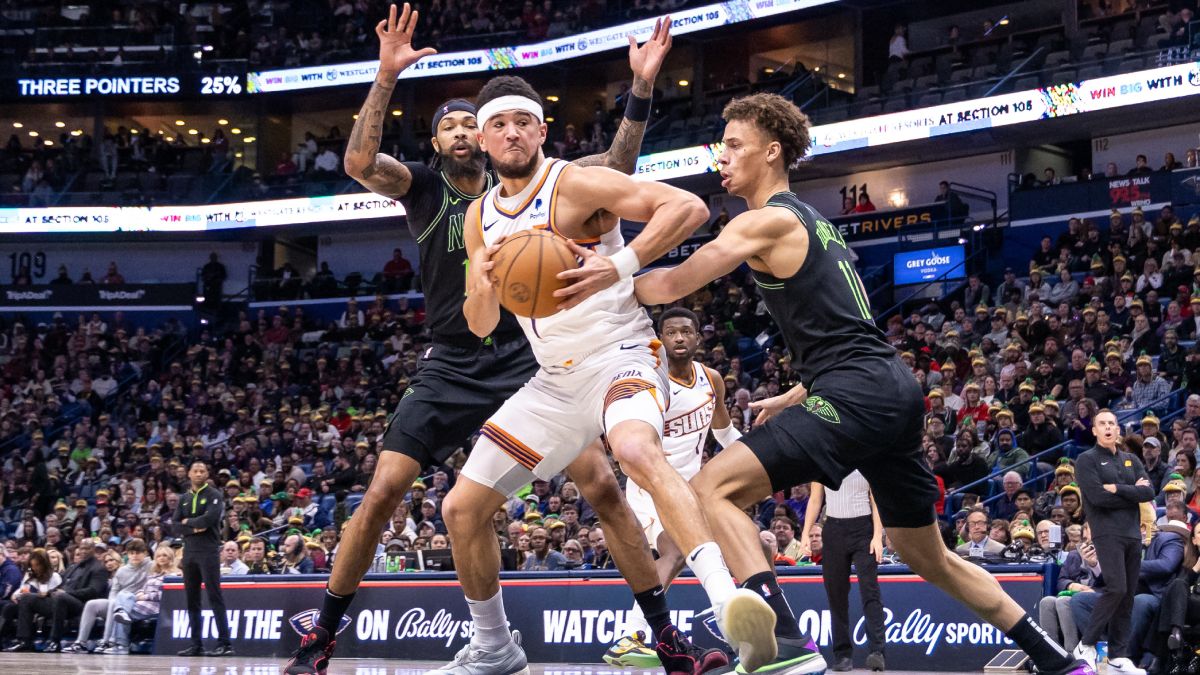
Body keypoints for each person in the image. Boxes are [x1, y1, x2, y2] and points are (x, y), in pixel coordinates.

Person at [287, 5, 687, 675]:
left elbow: (616, 168)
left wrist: (640, 89)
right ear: (438, 144)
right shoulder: (423, 190)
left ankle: (664, 635)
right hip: (452, 357)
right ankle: (323, 635)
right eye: (451, 125)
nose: (466, 131)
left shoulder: (541, 184)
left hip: (532, 358)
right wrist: (385, 75)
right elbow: (360, 160)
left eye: (476, 121)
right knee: (384, 488)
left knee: (602, 486)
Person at [634, 92, 1092, 675]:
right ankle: (1056, 661)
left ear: (771, 152)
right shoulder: (814, 221)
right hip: (887, 389)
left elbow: (672, 283)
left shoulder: (765, 219)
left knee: (710, 488)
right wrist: (801, 391)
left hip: (856, 392)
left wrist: (609, 276)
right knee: (929, 557)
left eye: (732, 145)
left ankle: (788, 644)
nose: (720, 157)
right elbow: (852, 331)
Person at [441, 70, 772, 675]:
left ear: (541, 130)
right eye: (499, 125)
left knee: (636, 450)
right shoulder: (476, 218)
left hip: (621, 352)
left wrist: (617, 265)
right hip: (553, 379)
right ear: (483, 141)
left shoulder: (577, 183)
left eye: (522, 122)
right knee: (460, 509)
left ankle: (728, 602)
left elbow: (689, 206)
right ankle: (493, 644)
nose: (511, 133)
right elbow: (483, 323)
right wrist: (485, 283)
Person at [604, 307, 740, 668]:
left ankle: (763, 635)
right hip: (649, 489)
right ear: (660, 340)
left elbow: (725, 433)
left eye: (686, 332)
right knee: (677, 551)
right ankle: (630, 636)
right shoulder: (649, 382)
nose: (679, 338)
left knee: (758, 544)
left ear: (699, 337)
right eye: (671, 333)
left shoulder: (711, 379)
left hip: (690, 490)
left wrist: (764, 463)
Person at [1072, 410, 1156, 673]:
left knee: (1128, 595)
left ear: (1118, 430)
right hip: (1106, 532)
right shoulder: (1086, 460)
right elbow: (1097, 498)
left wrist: (1118, 489)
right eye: (1102, 424)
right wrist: (1132, 493)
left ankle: (1118, 655)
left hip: (1132, 534)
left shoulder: (1131, 459)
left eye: (1112, 423)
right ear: (1094, 430)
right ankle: (1085, 645)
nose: (1108, 428)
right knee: (1116, 588)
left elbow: (1149, 491)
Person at [800, 471, 886, 672]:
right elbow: (815, 499)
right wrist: (805, 533)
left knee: (870, 590)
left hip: (863, 528)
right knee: (836, 594)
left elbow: (876, 500)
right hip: (833, 529)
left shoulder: (866, 457)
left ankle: (877, 652)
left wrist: (876, 535)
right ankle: (842, 655)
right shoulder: (824, 459)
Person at [176, 460, 233, 657]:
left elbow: (209, 520)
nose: (199, 474)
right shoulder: (183, 498)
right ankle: (196, 644)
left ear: (207, 474)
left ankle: (225, 643)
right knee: (192, 600)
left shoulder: (214, 495)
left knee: (214, 596)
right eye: (195, 470)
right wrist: (194, 527)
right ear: (189, 474)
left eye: (202, 471)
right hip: (189, 553)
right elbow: (175, 525)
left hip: (208, 551)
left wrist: (187, 524)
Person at [8, 539, 106, 652]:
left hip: (81, 605)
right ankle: (25, 641)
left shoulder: (98, 568)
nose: (83, 551)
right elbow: (61, 586)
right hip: (60, 602)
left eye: (87, 548)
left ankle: (54, 641)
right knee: (27, 597)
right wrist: (48, 593)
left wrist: (66, 593)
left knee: (60, 597)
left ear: (93, 549)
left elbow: (93, 591)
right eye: (81, 548)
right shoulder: (74, 567)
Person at [3, 548, 64, 652]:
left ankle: (25, 640)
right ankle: (5, 639)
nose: (35, 568)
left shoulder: (54, 576)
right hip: (30, 603)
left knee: (26, 600)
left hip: (49, 605)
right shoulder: (31, 575)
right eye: (33, 566)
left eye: (37, 565)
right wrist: (15, 594)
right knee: (9, 607)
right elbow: (23, 588)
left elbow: (50, 593)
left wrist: (36, 591)